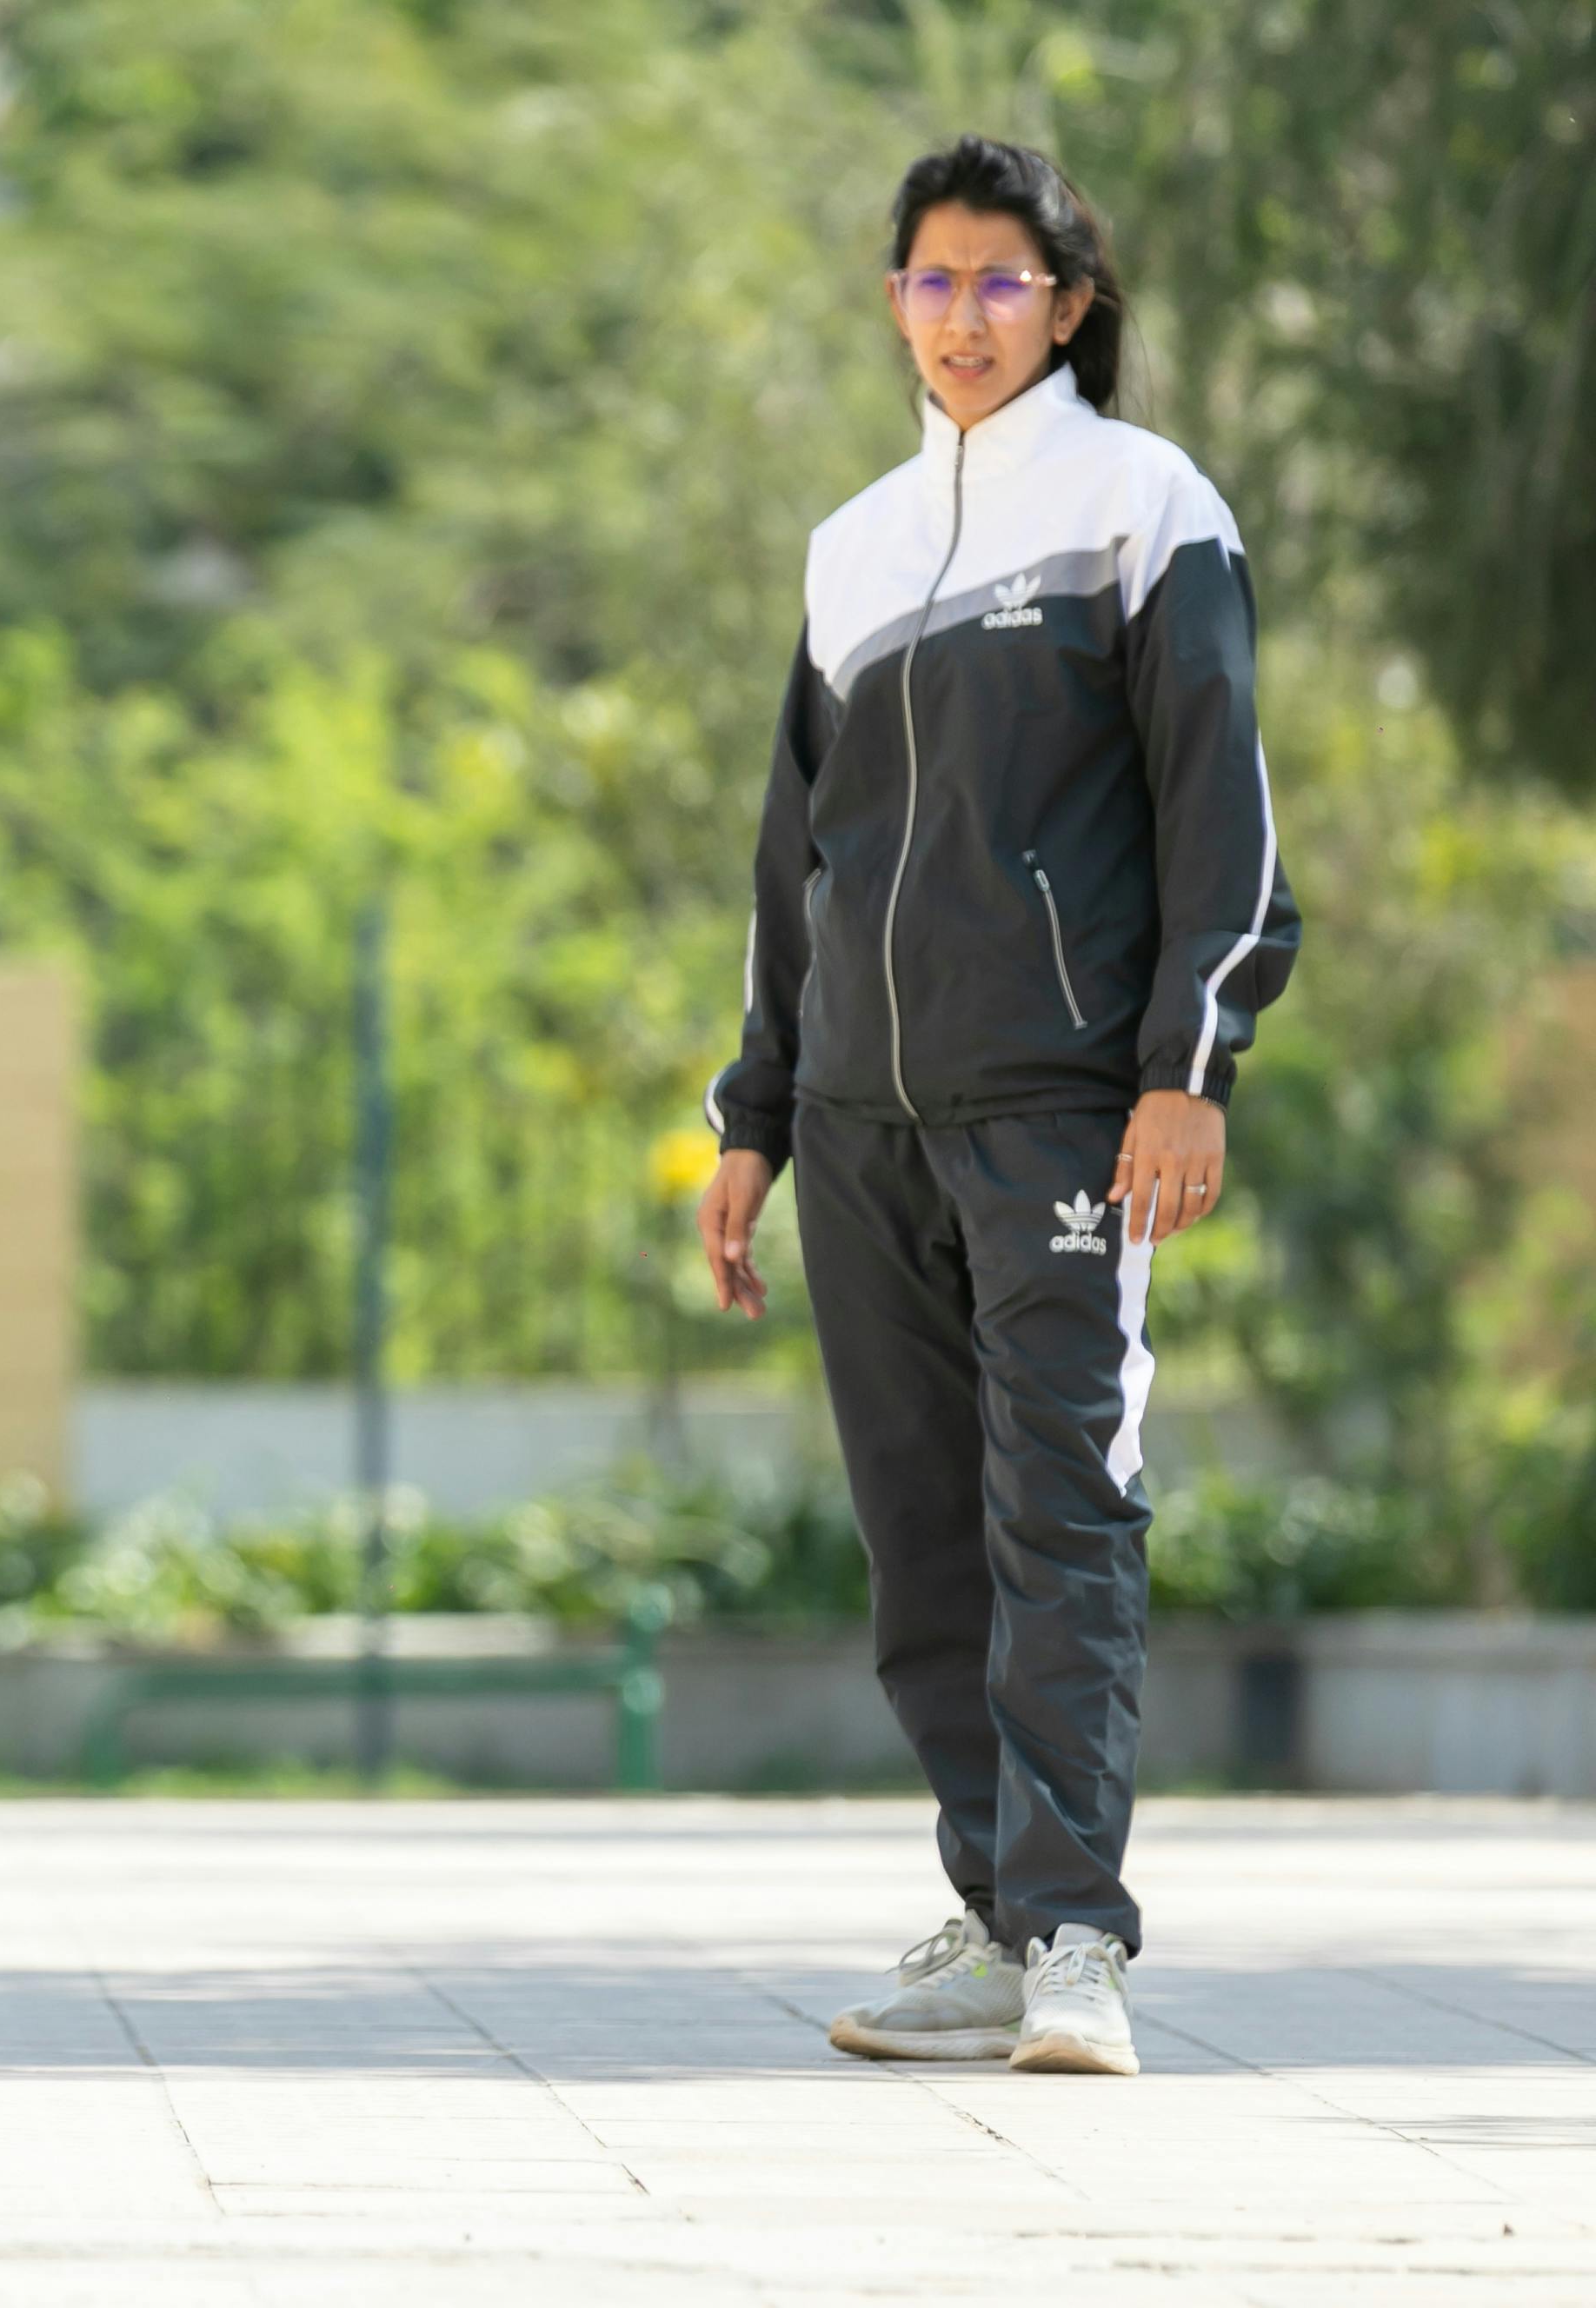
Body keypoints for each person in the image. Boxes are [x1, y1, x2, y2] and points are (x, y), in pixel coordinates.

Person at [697, 136, 1300, 2078]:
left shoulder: (1140, 507)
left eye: (998, 282)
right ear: (891, 302)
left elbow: (1223, 811)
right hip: (862, 1120)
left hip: (1059, 1111)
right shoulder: (850, 546)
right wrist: (753, 1111)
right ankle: (986, 1902)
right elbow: (799, 853)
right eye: (928, 281)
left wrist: (1180, 1069)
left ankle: (1071, 1941)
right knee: (917, 1538)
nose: (960, 316)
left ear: (1070, 301)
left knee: (1061, 1502)